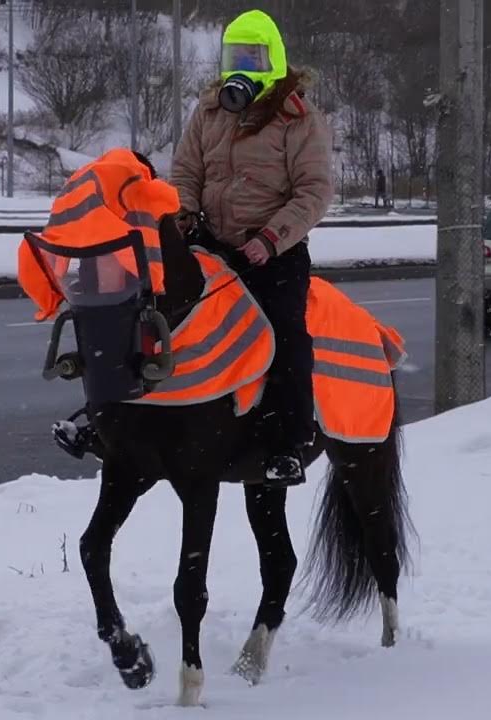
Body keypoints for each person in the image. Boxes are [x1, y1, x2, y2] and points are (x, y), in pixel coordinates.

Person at [170, 9, 334, 485]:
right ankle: (126, 418)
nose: (241, 66)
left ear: (274, 61)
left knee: (284, 336)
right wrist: (182, 213)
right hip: (210, 244)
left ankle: (288, 443)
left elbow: (314, 192)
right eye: (234, 56)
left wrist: (271, 238)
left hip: (273, 253)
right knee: (158, 308)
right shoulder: (209, 111)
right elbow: (186, 172)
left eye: (252, 57)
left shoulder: (299, 119)